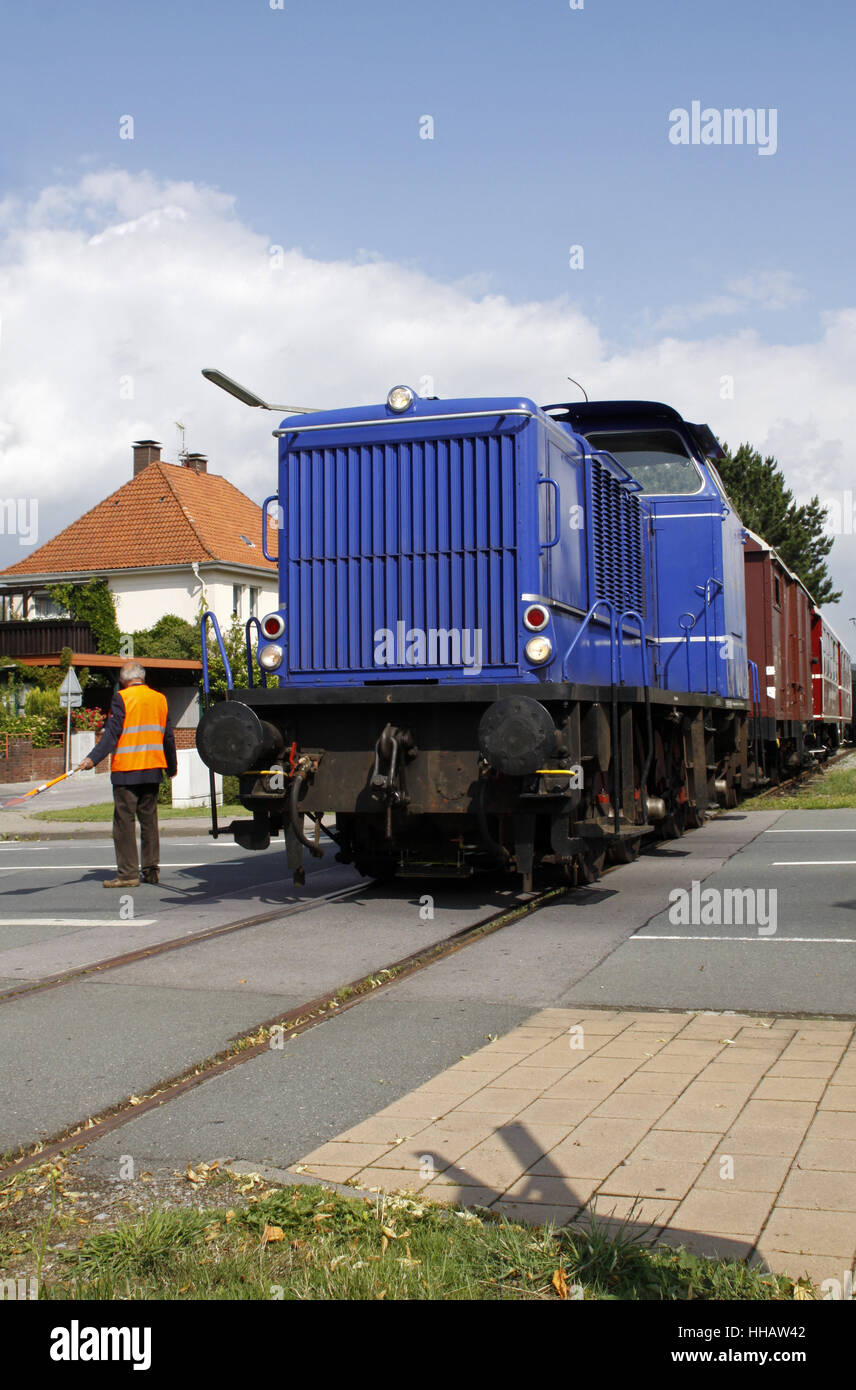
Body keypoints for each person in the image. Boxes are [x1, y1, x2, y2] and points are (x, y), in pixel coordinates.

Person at [79, 661, 177, 888]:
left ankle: (128, 874)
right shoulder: (159, 699)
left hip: (127, 770)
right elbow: (168, 737)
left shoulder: (121, 698)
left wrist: (92, 759)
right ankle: (151, 869)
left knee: (124, 823)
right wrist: (171, 767)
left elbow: (111, 735)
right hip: (153, 769)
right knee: (149, 821)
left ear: (123, 680)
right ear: (142, 678)